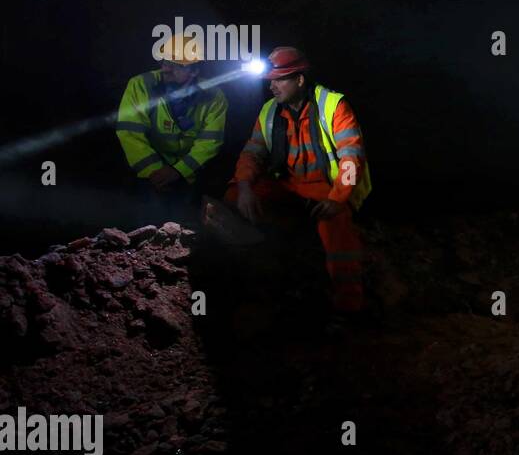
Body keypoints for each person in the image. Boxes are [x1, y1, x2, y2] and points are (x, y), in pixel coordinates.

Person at [226, 46, 373, 317]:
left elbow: (351, 157)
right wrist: (244, 186)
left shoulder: (333, 105)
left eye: (279, 79)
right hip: (288, 184)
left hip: (326, 188)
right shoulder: (270, 111)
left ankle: (349, 306)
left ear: (300, 79)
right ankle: (261, 273)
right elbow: (252, 152)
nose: (271, 87)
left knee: (337, 227)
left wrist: (338, 199)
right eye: (270, 80)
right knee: (234, 196)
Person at [115, 33, 227, 222]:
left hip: (187, 176)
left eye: (175, 65)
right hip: (147, 174)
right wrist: (155, 172)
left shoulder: (214, 96)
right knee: (145, 222)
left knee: (183, 226)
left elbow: (210, 142)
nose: (166, 68)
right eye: (165, 61)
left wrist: (178, 171)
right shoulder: (141, 85)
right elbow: (130, 132)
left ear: (194, 70)